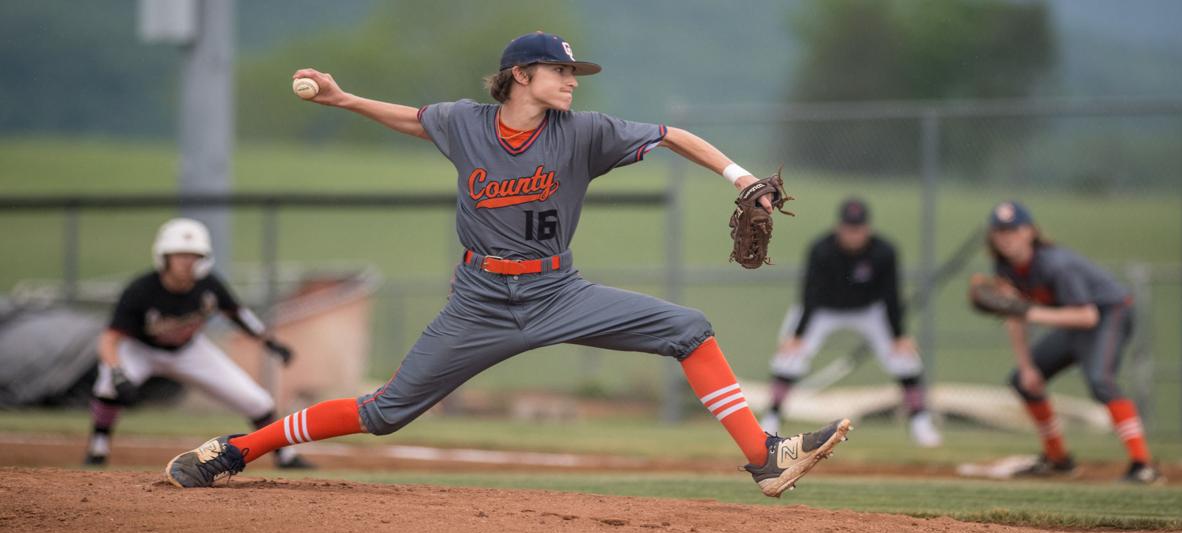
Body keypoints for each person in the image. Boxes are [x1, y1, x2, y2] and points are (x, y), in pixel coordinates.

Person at [163, 32, 849, 497]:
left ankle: (764, 457)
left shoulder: (586, 132)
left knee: (689, 328)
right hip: (480, 301)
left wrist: (740, 177)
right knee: (385, 412)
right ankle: (237, 449)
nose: (571, 82)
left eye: (574, 73)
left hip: (558, 289)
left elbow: (674, 137)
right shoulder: (465, 123)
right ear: (521, 76)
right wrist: (344, 99)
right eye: (560, 72)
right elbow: (413, 119)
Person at [88, 218, 310, 469]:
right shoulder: (141, 290)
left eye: (194, 256)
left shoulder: (208, 285)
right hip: (142, 350)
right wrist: (118, 372)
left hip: (189, 351)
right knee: (107, 385)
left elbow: (238, 314)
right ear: (164, 258)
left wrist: (270, 342)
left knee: (258, 401)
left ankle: (285, 456)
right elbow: (109, 339)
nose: (187, 262)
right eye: (180, 256)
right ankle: (98, 448)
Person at [984, 201, 1160, 483]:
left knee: (1100, 382)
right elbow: (1015, 317)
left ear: (1030, 232)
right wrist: (1028, 366)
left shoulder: (1055, 264)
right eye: (1000, 230)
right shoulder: (1005, 267)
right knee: (1022, 380)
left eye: (1013, 229)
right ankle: (1058, 460)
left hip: (1110, 312)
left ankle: (1143, 465)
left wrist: (1030, 311)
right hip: (1074, 322)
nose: (1006, 236)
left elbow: (1087, 316)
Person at [764, 198, 939, 447]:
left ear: (868, 228)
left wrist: (899, 334)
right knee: (789, 355)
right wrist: (798, 334)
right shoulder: (822, 249)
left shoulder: (884, 252)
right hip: (823, 310)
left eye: (858, 228)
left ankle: (921, 423)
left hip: (868, 311)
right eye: (848, 227)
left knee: (905, 359)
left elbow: (891, 296)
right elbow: (810, 294)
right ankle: (771, 418)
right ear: (839, 227)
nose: (853, 234)